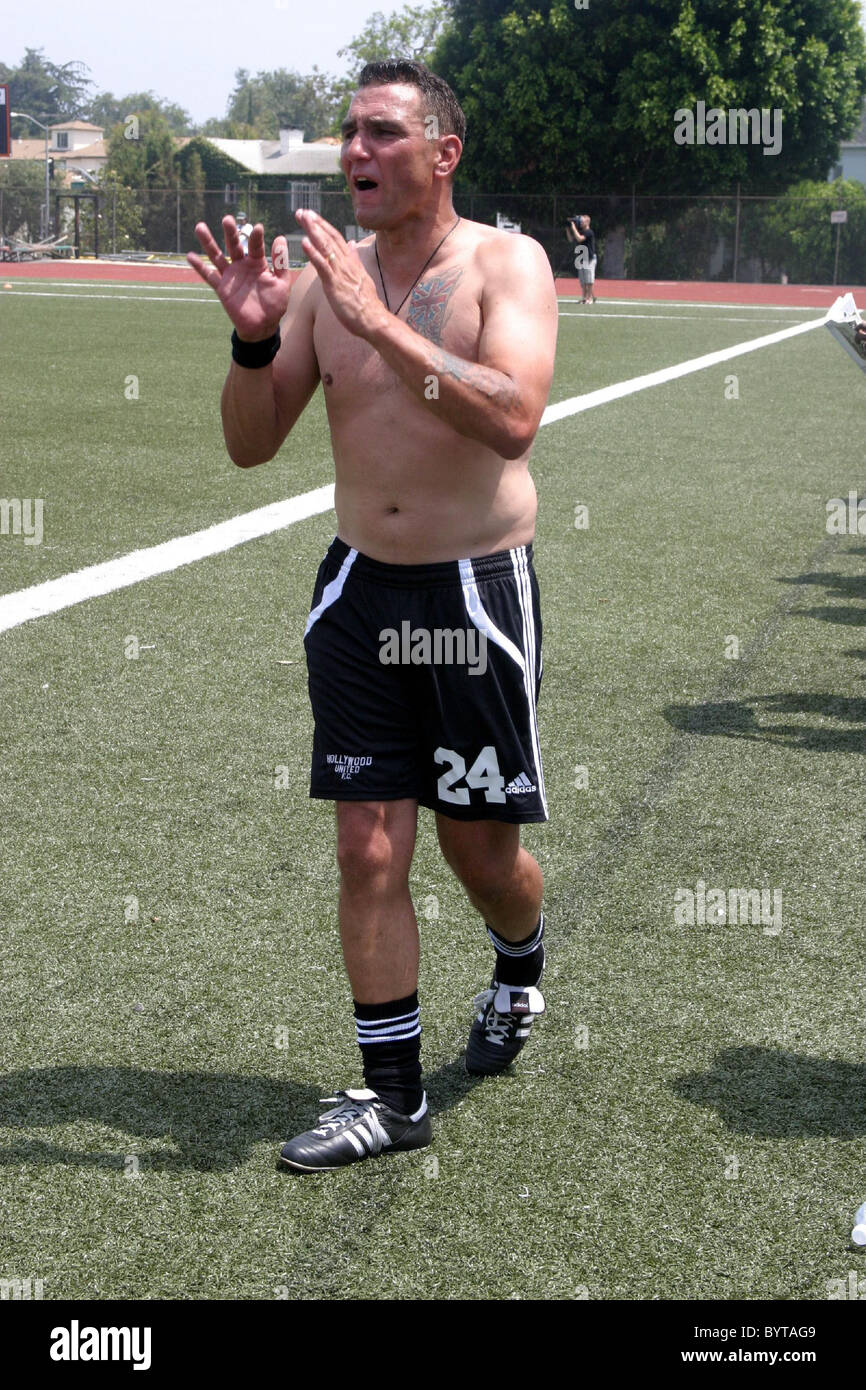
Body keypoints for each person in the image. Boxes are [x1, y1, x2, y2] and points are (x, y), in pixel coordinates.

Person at [188, 59, 557, 1173]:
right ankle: (392, 1096)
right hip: (359, 590)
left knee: (477, 850)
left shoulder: (506, 263)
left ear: (441, 153)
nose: (354, 152)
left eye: (382, 133)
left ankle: (519, 963)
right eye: (349, 133)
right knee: (366, 844)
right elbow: (250, 444)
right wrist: (258, 338)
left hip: (470, 593)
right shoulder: (317, 286)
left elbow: (512, 419)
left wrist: (377, 322)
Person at [567, 213, 598, 304]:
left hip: (589, 258)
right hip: (581, 258)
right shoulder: (579, 231)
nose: (580, 223)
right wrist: (568, 229)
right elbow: (571, 239)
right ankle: (584, 297)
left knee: (589, 279)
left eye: (582, 221)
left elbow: (580, 239)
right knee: (583, 280)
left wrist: (574, 228)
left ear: (587, 222)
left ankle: (590, 298)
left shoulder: (589, 232)